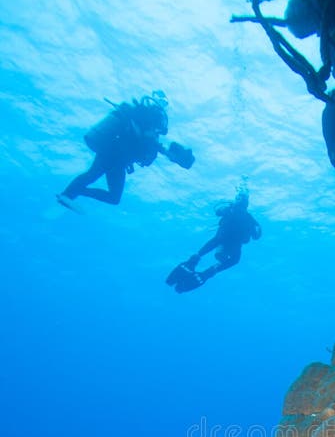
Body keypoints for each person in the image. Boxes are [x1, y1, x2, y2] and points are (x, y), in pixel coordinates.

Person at [57, 91, 194, 211]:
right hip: (113, 154)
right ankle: (68, 194)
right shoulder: (149, 122)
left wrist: (168, 153)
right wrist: (169, 153)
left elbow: (148, 143)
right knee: (95, 179)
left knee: (111, 195)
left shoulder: (147, 126)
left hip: (118, 161)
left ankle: (71, 193)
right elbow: (149, 141)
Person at [166, 191, 262, 293]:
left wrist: (227, 208)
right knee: (234, 259)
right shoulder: (245, 216)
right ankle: (209, 269)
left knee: (223, 248)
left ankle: (197, 262)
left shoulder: (233, 210)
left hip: (223, 240)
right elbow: (256, 236)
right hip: (230, 243)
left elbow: (218, 211)